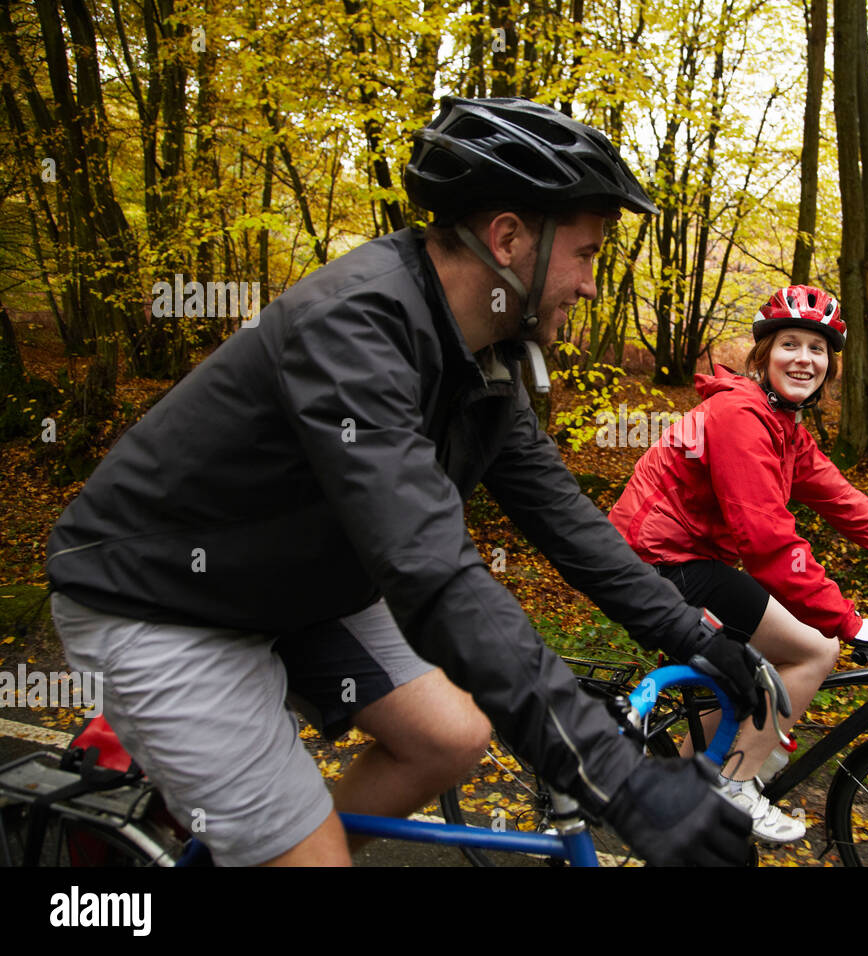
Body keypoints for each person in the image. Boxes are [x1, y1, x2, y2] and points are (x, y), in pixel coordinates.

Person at [45, 96, 760, 867]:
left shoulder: (487, 357)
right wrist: (619, 780)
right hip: (159, 600)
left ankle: (243, 848)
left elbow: (562, 516)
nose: (590, 285)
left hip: (293, 585)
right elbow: (432, 572)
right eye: (586, 254)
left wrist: (692, 634)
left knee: (450, 738)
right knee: (309, 860)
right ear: (509, 238)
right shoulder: (353, 326)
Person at [609, 284, 868, 842]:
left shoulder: (782, 425)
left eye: (817, 349)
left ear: (829, 365)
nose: (804, 358)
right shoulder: (739, 418)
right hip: (661, 561)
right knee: (815, 650)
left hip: (685, 559)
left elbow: (838, 496)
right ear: (763, 356)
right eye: (789, 344)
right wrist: (850, 623)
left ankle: (673, 796)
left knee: (744, 678)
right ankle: (733, 784)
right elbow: (768, 542)